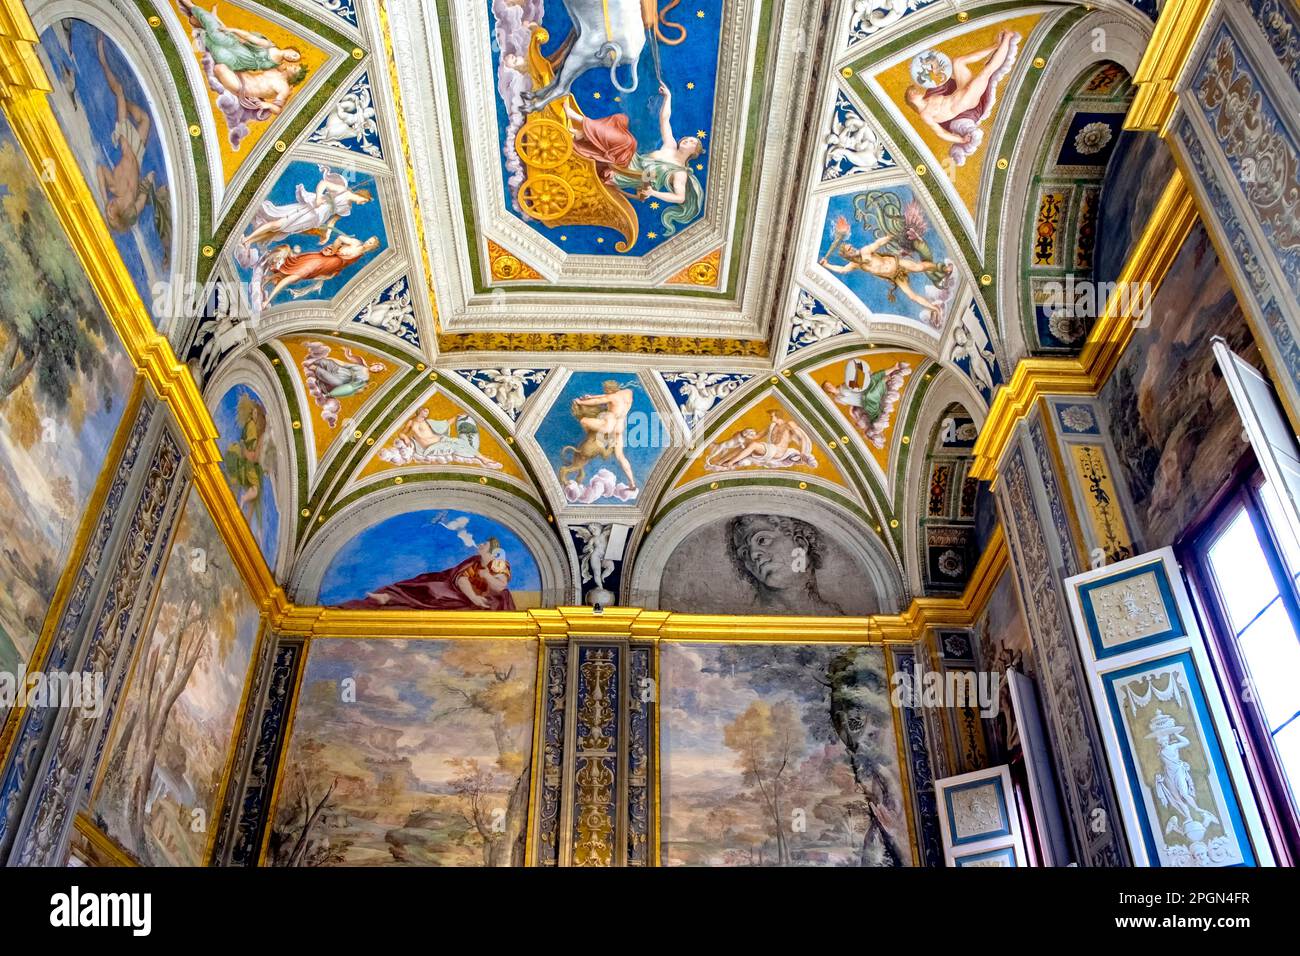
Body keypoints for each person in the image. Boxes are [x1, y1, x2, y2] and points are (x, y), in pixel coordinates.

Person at [563, 83, 703, 234]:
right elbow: (665, 120)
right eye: (687, 139)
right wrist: (668, 97)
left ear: (694, 153)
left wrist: (653, 193)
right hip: (631, 158)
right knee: (621, 120)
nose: (687, 140)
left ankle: (576, 119)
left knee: (628, 141)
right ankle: (582, 134)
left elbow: (680, 197)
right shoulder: (670, 145)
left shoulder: (680, 172)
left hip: (628, 171)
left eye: (692, 142)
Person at [904, 31, 1020, 165]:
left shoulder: (929, 97)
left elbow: (941, 79)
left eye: (914, 90)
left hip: (961, 90)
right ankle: (1007, 39)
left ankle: (995, 46)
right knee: (986, 72)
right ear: (911, 98)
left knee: (958, 62)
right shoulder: (925, 114)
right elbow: (941, 133)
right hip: (966, 101)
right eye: (913, 91)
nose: (916, 90)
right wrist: (961, 140)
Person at [178, 0, 308, 119]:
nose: (292, 65)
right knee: (217, 38)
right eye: (294, 62)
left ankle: (204, 26)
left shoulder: (283, 87)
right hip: (239, 64)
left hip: (239, 85)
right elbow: (251, 41)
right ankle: (198, 15)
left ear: (295, 76)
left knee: (219, 64)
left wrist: (268, 106)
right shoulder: (275, 69)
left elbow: (278, 109)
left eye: (295, 67)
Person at [94, 35, 163, 235]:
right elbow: (142, 195)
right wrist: (149, 180)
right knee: (146, 120)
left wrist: (103, 198)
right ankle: (125, 97)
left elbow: (100, 169)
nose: (109, 209)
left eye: (107, 211)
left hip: (125, 141)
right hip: (137, 155)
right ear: (119, 214)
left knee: (120, 93)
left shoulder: (113, 188)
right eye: (110, 213)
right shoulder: (132, 209)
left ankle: (103, 60)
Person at [343, 539, 515, 610]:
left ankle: (390, 599)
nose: (480, 545)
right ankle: (388, 597)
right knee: (425, 582)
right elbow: (461, 579)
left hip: (489, 599)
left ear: (492, 549)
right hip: (465, 594)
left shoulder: (498, 564)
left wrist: (487, 577)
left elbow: (500, 586)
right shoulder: (474, 562)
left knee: (435, 591)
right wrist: (473, 598)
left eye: (484, 544)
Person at [726, 514, 845, 615]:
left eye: (762, 540)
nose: (753, 555)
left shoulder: (835, 617)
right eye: (744, 552)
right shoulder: (746, 620)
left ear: (800, 543)